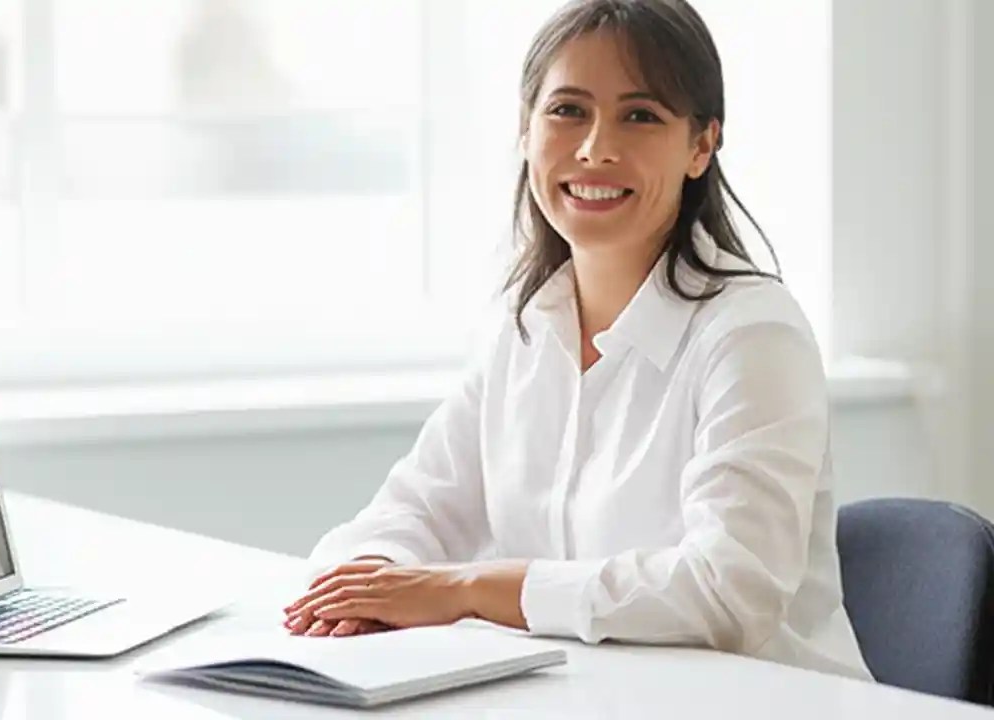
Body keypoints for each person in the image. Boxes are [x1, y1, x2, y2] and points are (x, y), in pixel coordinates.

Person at [281, 0, 873, 681]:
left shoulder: (752, 335)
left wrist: (470, 589)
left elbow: (727, 593)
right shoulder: (525, 325)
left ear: (701, 145)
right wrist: (367, 586)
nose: (595, 147)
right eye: (567, 111)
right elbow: (409, 511)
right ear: (526, 130)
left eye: (640, 115)